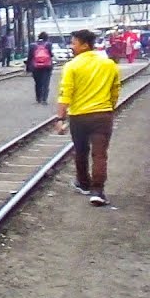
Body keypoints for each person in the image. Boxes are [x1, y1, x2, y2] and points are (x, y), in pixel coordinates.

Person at [55, 29, 121, 206]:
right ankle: (98, 191)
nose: (71, 46)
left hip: (79, 117)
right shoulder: (109, 64)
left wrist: (60, 119)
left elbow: (65, 94)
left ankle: (83, 184)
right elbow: (115, 91)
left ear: (84, 45)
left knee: (81, 151)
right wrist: (109, 109)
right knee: (100, 154)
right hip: (102, 115)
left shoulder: (72, 66)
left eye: (74, 43)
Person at [25, 31, 55, 104]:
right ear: (46, 38)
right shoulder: (49, 44)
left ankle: (39, 98)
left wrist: (28, 68)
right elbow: (50, 55)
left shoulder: (32, 45)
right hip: (47, 66)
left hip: (35, 67)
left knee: (38, 83)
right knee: (46, 83)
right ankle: (44, 99)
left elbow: (30, 57)